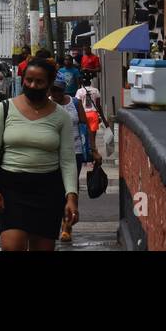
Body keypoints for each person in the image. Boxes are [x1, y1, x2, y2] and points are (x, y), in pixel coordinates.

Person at [0, 57, 79, 252]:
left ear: (49, 84)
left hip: (48, 191)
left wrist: (71, 197)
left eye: (39, 81)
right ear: (23, 80)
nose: (33, 85)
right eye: (29, 80)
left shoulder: (61, 116)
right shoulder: (5, 108)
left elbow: (68, 160)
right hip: (11, 189)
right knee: (12, 245)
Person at [50, 74, 97, 243]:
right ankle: (54, 224)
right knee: (55, 190)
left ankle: (66, 227)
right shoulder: (46, 104)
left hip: (74, 152)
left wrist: (93, 149)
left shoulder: (74, 103)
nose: (55, 93)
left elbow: (85, 126)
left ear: (64, 89)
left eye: (58, 89)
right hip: (52, 153)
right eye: (52, 89)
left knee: (71, 189)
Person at [75, 72, 108, 139]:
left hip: (83, 114)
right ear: (90, 82)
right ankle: (93, 148)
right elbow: (98, 106)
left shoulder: (79, 91)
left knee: (84, 136)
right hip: (93, 114)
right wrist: (104, 120)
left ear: (82, 83)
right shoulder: (95, 90)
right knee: (93, 137)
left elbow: (78, 105)